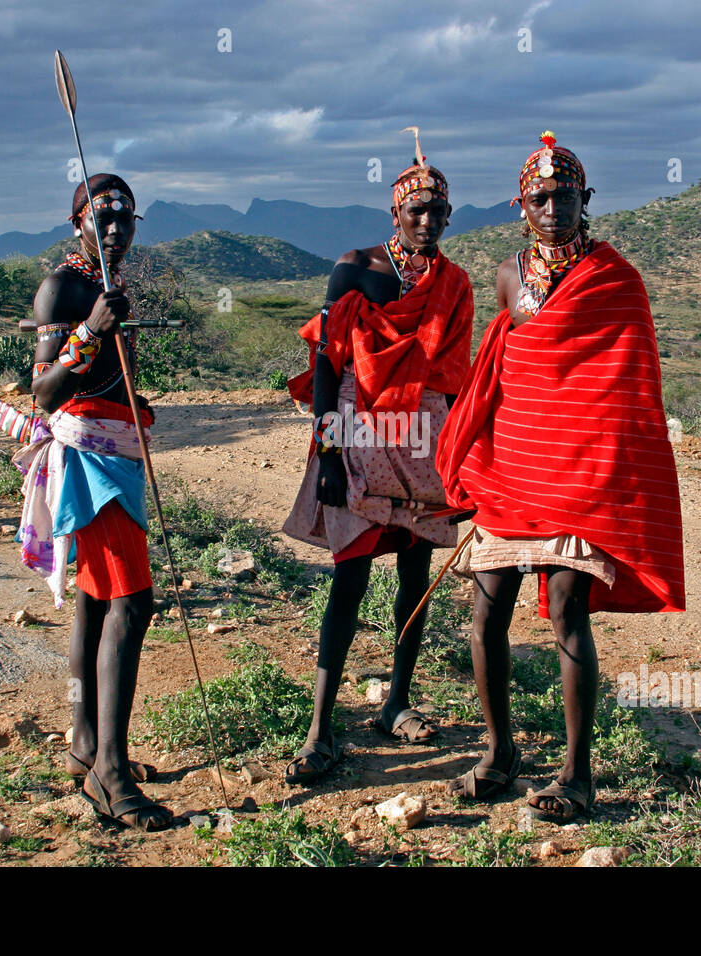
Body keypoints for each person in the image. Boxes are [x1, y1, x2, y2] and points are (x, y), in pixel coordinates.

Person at [434, 132, 686, 821]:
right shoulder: (509, 274)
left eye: (565, 194)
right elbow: (506, 367)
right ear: (522, 205)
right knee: (487, 612)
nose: (554, 206)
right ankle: (499, 754)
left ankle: (577, 775)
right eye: (540, 197)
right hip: (513, 470)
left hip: (578, 475)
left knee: (568, 613)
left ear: (586, 199)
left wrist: (609, 471)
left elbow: (622, 389)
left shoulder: (616, 278)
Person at [281, 136, 474, 783]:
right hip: (357, 431)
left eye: (438, 213)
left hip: (421, 435)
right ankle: (319, 727)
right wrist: (327, 452)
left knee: (415, 571)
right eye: (416, 211)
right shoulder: (355, 268)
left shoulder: (454, 284)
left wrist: (459, 457)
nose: (427, 221)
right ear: (395, 215)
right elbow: (327, 358)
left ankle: (396, 699)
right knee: (351, 574)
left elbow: (454, 376)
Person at [18, 173, 170, 831]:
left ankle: (86, 743)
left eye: (125, 222)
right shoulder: (66, 288)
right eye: (101, 220)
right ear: (78, 223)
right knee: (133, 601)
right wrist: (89, 330)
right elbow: (45, 393)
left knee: (96, 599)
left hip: (115, 443)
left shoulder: (112, 287)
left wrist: (131, 403)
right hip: (88, 459)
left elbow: (105, 379)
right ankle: (111, 774)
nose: (114, 231)